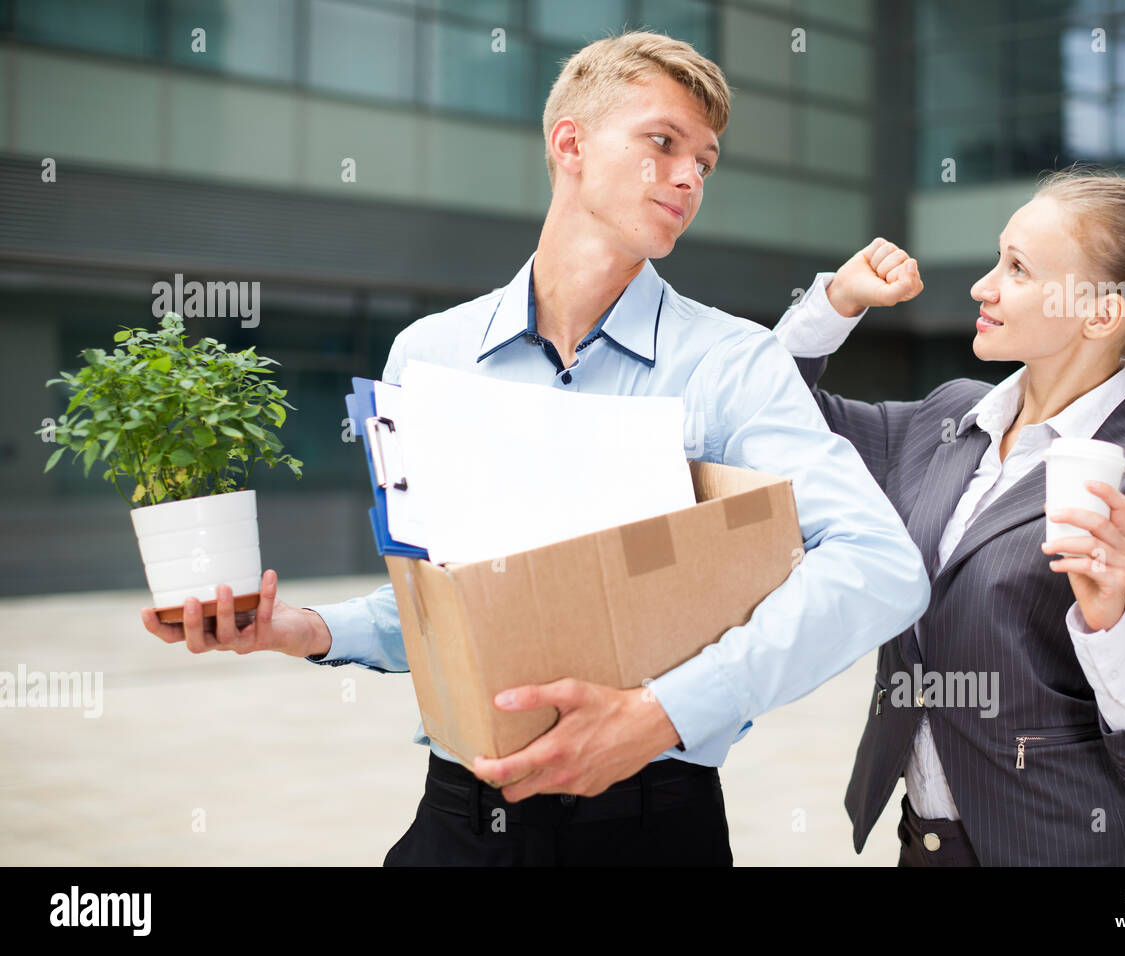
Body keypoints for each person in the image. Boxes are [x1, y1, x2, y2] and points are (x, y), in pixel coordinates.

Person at [140, 31, 930, 866]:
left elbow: (880, 565)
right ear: (571, 144)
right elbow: (452, 608)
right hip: (458, 821)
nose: (691, 175)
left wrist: (662, 713)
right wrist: (302, 629)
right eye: (663, 142)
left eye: (706, 159)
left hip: (650, 827)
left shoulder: (734, 364)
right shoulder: (427, 356)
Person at [772, 171, 1125, 866]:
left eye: (1017, 268)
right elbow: (773, 417)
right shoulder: (948, 419)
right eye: (998, 259)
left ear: (1101, 314)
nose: (985, 286)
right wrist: (835, 302)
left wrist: (1109, 623)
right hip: (922, 845)